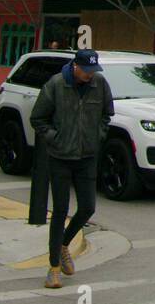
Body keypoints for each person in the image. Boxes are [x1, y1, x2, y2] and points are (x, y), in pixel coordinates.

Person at [30, 48, 113, 289]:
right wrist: (55, 138)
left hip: (87, 156)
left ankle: (64, 244)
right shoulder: (56, 85)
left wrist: (97, 136)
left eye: (93, 70)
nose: (90, 75)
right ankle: (54, 268)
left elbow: (107, 114)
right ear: (76, 66)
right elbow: (38, 119)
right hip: (60, 156)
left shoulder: (100, 84)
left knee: (88, 207)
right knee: (60, 210)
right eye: (87, 70)